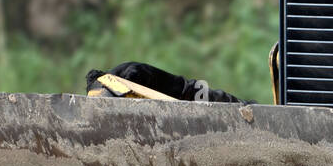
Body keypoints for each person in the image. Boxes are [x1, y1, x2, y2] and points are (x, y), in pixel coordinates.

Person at [85, 62, 247, 103]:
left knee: (222, 102)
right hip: (190, 92)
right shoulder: (110, 83)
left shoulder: (127, 76)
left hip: (188, 95)